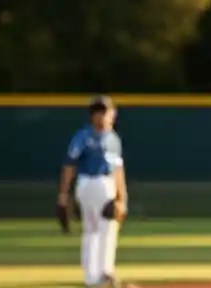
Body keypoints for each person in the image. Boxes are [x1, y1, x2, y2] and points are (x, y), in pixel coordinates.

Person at [58, 96, 128, 288]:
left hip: (106, 183)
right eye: (106, 112)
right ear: (95, 115)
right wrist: (63, 194)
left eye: (111, 112)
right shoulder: (83, 136)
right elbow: (69, 165)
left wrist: (123, 197)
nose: (110, 115)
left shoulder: (113, 138)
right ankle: (100, 274)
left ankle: (98, 276)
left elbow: (118, 170)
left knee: (103, 228)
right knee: (96, 230)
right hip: (88, 182)